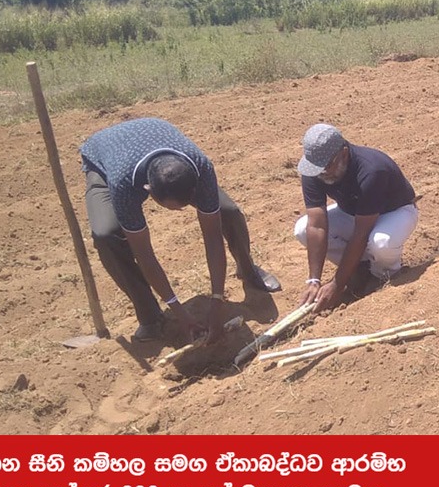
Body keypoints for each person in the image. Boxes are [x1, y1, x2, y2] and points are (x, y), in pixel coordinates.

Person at [81, 117, 281, 343]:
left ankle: (248, 271)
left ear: (194, 185)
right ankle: (149, 316)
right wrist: (177, 310)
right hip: (106, 158)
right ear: (148, 191)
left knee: (229, 211)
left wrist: (217, 301)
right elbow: (144, 254)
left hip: (153, 137)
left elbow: (213, 237)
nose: (179, 212)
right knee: (105, 234)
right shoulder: (123, 186)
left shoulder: (201, 167)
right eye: (171, 207)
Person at [293, 124, 418, 312]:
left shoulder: (372, 170)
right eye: (315, 168)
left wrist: (337, 283)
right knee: (302, 229)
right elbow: (316, 224)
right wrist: (314, 280)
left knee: (380, 243)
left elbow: (361, 233)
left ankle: (382, 275)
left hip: (395, 212)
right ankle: (360, 269)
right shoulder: (314, 169)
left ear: (343, 154)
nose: (320, 173)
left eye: (326, 167)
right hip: (353, 211)